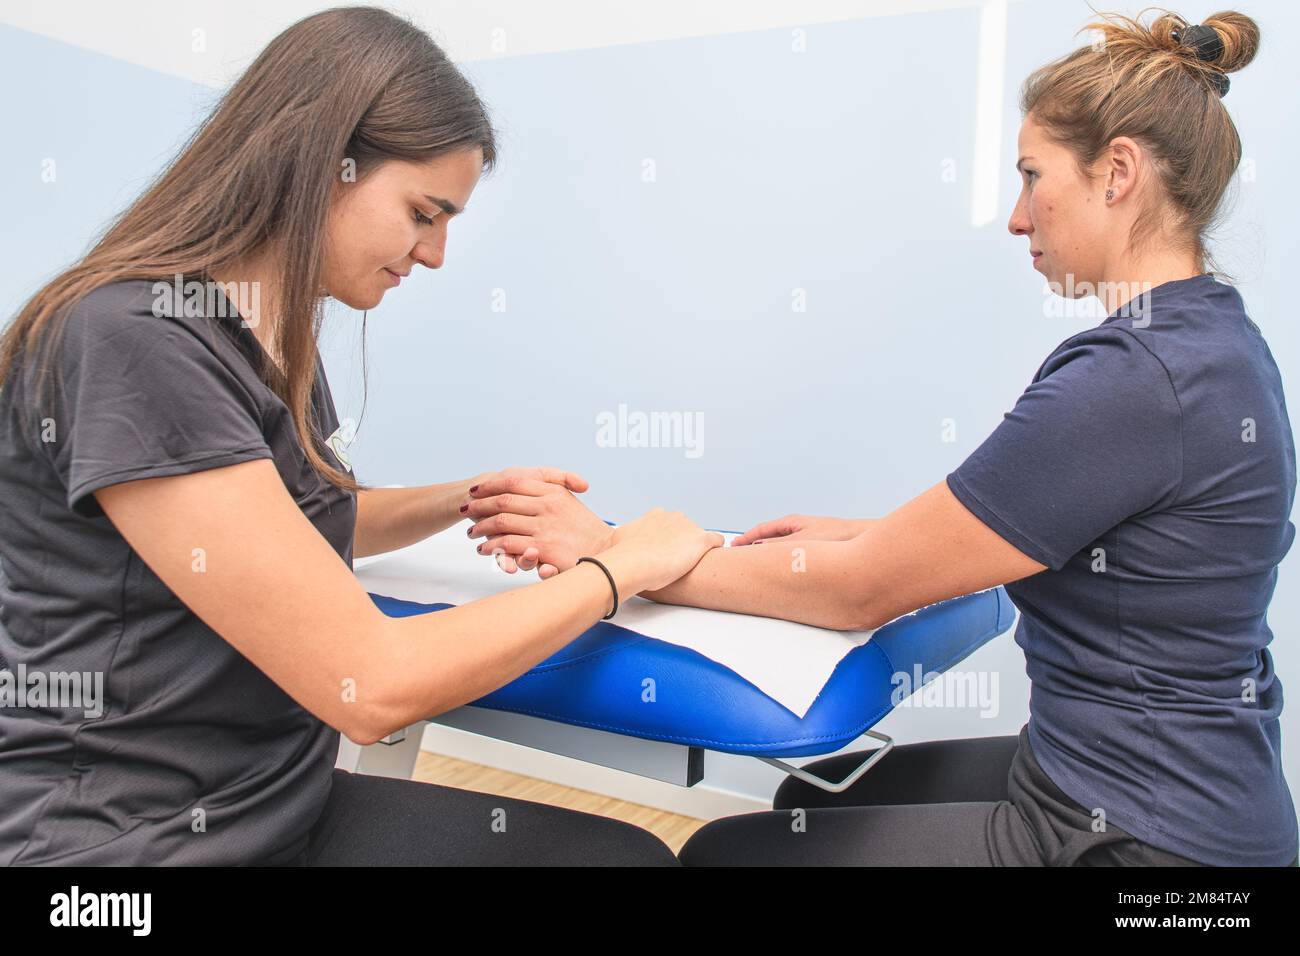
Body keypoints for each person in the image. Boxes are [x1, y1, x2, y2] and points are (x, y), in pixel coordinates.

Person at [471, 9, 1299, 866]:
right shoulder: (1211, 344)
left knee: (730, 856)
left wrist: (612, 551)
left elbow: (857, 594)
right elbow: (1030, 516)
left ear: (1117, 172)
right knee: (807, 798)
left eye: (1031, 176)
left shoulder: (1133, 377)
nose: (1019, 218)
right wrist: (864, 532)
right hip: (1165, 794)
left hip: (1153, 850)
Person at [0, 6, 722, 866]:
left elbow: (290, 517)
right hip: (123, 848)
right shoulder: (133, 340)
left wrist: (466, 499)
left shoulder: (264, 331)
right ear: (323, 163)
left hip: (270, 801)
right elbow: (371, 686)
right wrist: (623, 566)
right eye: (423, 212)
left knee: (623, 857)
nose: (436, 253)